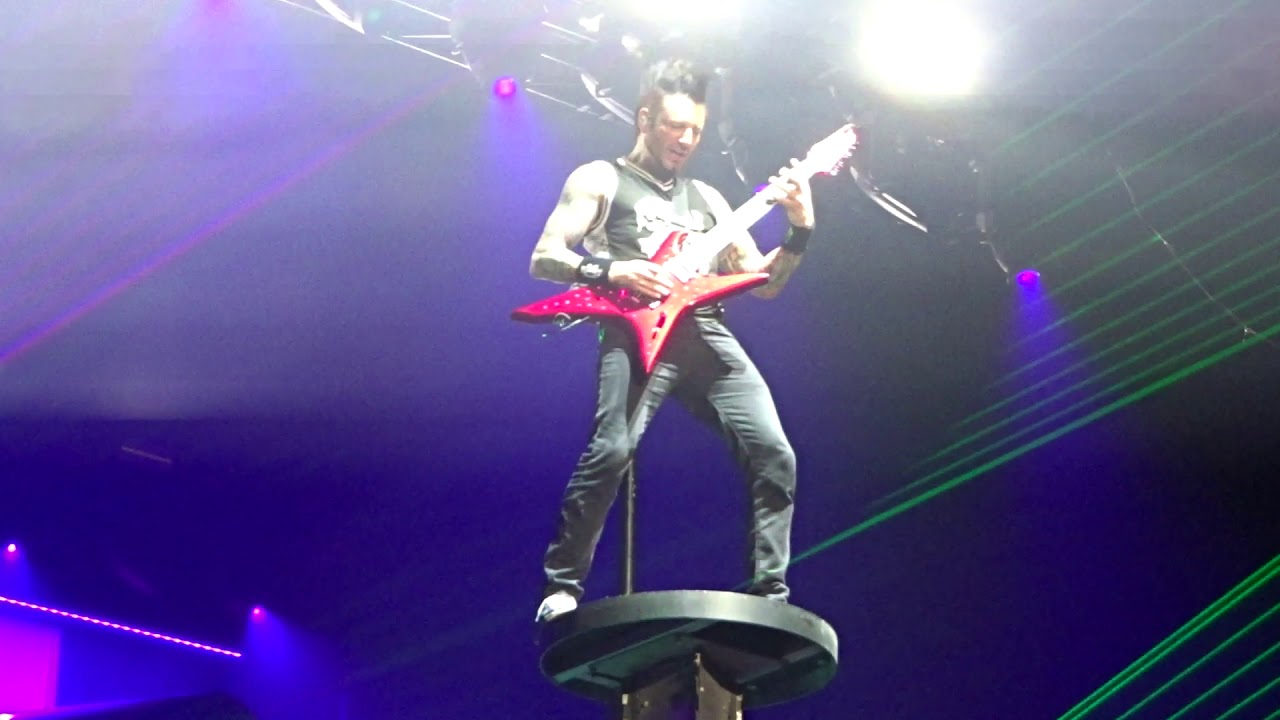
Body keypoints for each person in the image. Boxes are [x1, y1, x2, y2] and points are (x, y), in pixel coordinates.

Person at [529, 58, 816, 622]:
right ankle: (562, 588)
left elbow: (763, 284)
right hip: (634, 327)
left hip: (703, 331)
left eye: (696, 132)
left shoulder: (708, 198)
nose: (686, 140)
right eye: (675, 127)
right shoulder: (600, 178)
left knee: (775, 452)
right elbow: (544, 257)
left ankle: (771, 596)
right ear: (644, 119)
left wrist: (800, 228)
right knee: (612, 450)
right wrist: (612, 271)